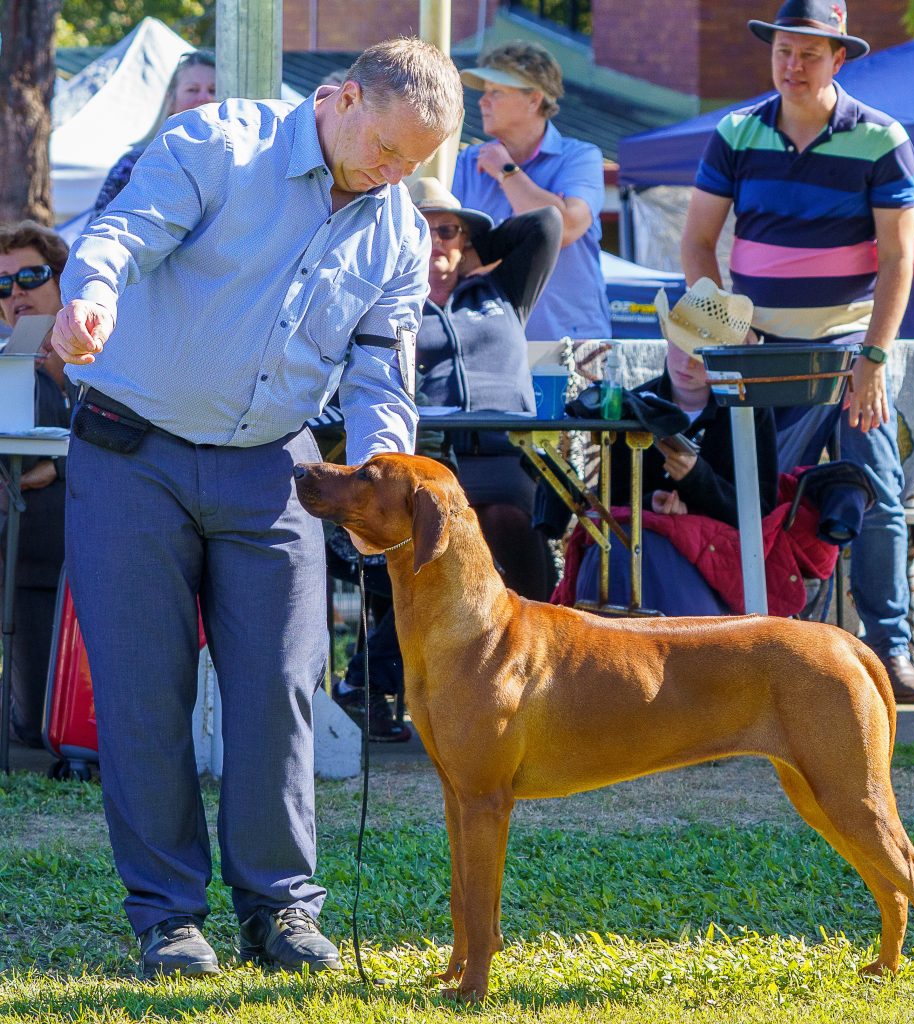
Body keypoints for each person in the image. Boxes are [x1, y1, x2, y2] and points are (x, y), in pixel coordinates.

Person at [49, 38, 463, 979]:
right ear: (343, 96)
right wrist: (90, 298)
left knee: (281, 689)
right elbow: (121, 234)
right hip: (131, 451)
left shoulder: (397, 226)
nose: (393, 177)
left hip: (277, 468)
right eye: (387, 151)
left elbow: (378, 374)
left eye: (413, 165)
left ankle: (281, 910)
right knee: (144, 696)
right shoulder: (218, 143)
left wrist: (375, 479)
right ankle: (168, 919)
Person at [679, 1, 914, 703]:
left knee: (874, 493)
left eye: (808, 55)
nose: (791, 66)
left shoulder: (881, 138)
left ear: (838, 59)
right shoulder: (734, 130)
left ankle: (890, 651)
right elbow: (696, 242)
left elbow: (897, 259)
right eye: (782, 52)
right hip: (757, 355)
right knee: (748, 499)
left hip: (848, 349)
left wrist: (873, 361)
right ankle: (750, 651)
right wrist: (723, 330)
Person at [333, 178, 563, 739]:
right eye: (426, 228)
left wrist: (472, 243)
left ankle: (531, 690)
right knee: (434, 551)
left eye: (450, 230)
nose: (439, 241)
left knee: (513, 547)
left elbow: (547, 226)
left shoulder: (501, 293)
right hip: (431, 466)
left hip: (508, 464)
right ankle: (374, 682)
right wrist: (411, 244)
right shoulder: (390, 304)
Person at [563, 279, 779, 614]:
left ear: (721, 361)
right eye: (679, 345)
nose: (685, 363)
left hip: (708, 563)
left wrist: (697, 479)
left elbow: (758, 515)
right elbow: (610, 500)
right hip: (637, 548)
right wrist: (652, 502)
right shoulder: (634, 406)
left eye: (700, 356)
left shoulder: (749, 414)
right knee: (619, 548)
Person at [453, 41, 611, 341]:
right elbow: (449, 250)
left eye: (496, 92)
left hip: (570, 344)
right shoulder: (465, 163)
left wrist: (505, 171)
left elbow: (566, 228)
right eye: (484, 92)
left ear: (534, 100)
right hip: (485, 345)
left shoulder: (581, 157)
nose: (483, 102)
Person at [0, 222, 72, 748]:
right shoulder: (6, 372)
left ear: (65, 281)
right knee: (35, 729)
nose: (16, 291)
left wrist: (62, 466)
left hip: (120, 569)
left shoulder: (118, 362)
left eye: (29, 275)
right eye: (4, 284)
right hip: (29, 573)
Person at [93, 50, 216, 218]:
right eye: (192, 89)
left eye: (213, 90)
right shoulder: (133, 165)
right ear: (170, 100)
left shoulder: (238, 165)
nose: (205, 98)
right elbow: (98, 227)